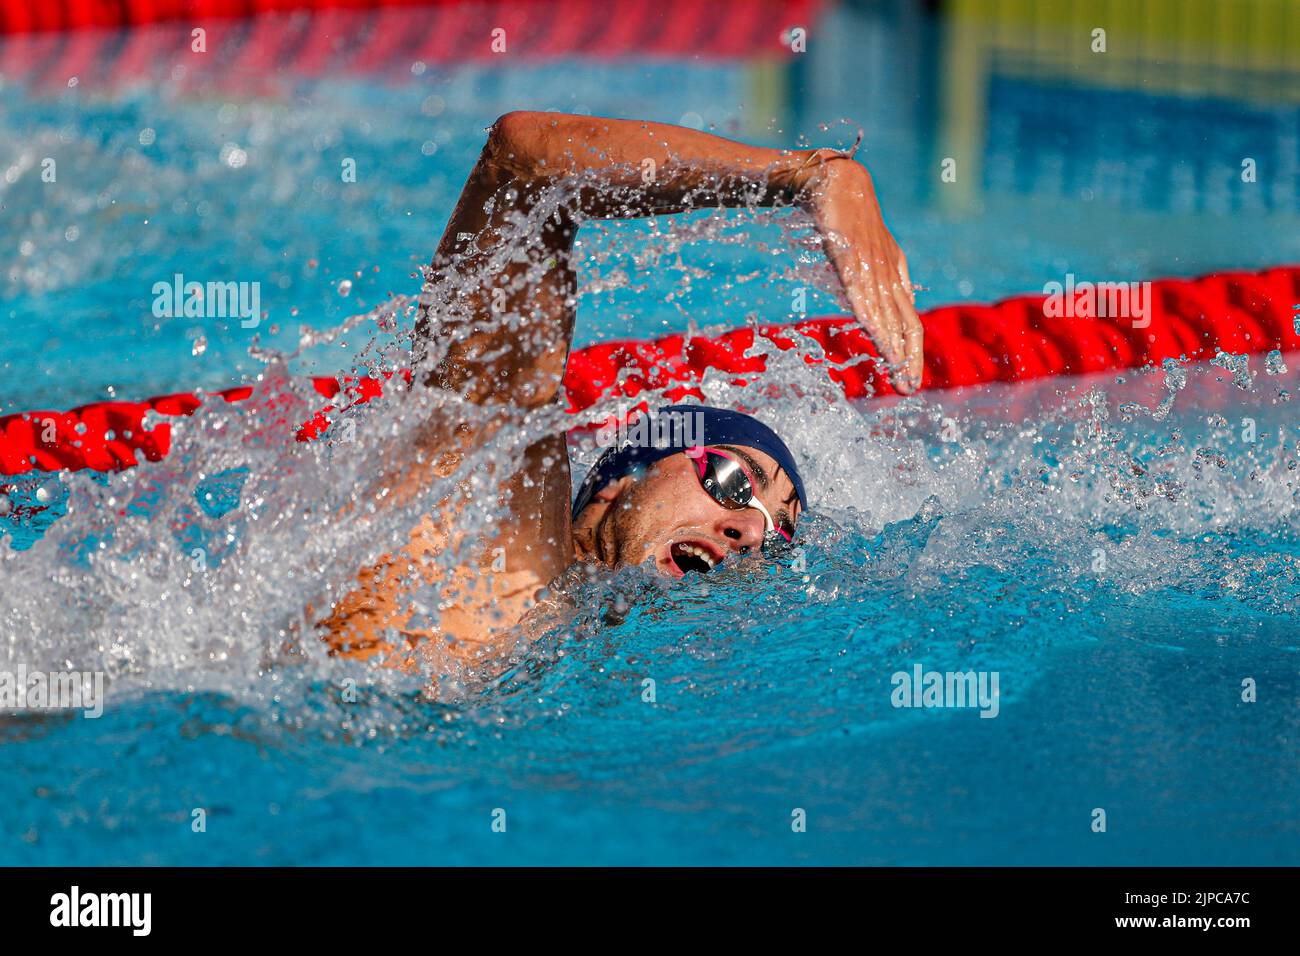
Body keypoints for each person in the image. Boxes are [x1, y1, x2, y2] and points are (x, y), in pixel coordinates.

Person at [316, 111, 921, 670]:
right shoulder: (489, 522)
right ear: (622, 475)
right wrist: (806, 176)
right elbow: (521, 165)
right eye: (734, 483)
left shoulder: (579, 645)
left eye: (779, 531)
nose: (753, 533)